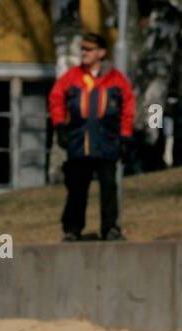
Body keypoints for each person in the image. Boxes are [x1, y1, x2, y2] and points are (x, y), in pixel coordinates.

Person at [49, 31, 136, 242]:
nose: (84, 53)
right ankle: (72, 229)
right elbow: (56, 99)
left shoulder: (116, 79)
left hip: (107, 142)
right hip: (80, 142)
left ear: (101, 53)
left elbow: (128, 107)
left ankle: (110, 228)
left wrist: (125, 136)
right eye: (83, 49)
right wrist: (60, 125)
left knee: (108, 186)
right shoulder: (72, 77)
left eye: (89, 50)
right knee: (77, 188)